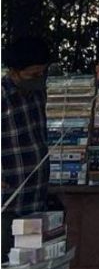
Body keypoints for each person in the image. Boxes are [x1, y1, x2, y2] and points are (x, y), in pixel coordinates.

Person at [2, 37, 52, 254]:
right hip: (7, 205)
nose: (39, 79)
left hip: (35, 200)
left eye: (42, 73)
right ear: (14, 72)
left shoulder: (38, 93)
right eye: (33, 75)